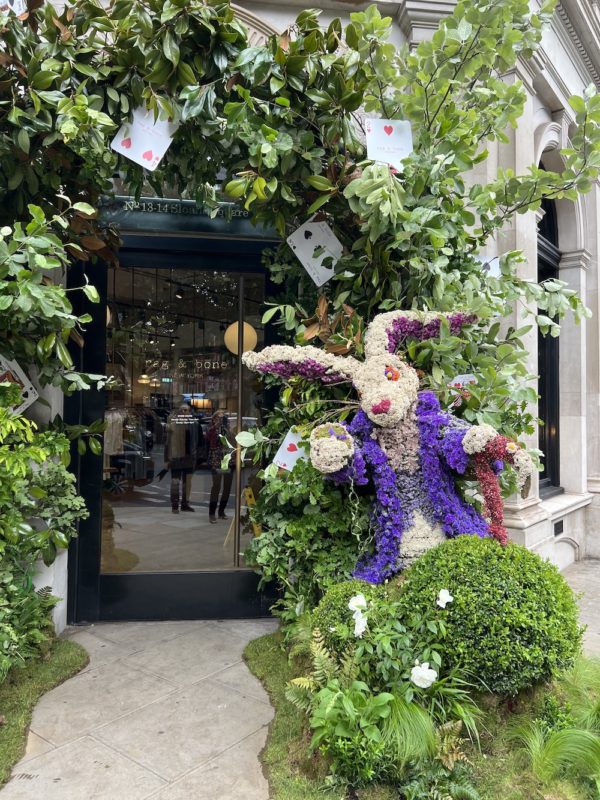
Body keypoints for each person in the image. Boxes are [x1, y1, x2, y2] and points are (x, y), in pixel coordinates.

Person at [165, 402, 199, 513]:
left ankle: (185, 504)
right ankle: (175, 505)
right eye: (182, 410)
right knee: (175, 482)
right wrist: (166, 458)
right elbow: (167, 442)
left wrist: (196, 456)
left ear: (190, 412)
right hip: (176, 457)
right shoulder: (174, 423)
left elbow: (198, 440)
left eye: (186, 410)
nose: (183, 412)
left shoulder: (193, 424)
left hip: (189, 457)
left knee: (187, 483)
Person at [207, 410, 234, 524]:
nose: (221, 420)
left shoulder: (228, 428)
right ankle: (212, 513)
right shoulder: (212, 428)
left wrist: (228, 427)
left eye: (223, 418)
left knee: (227, 487)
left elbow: (233, 440)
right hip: (216, 459)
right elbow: (208, 437)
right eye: (218, 418)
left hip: (228, 458)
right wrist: (216, 426)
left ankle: (221, 511)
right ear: (214, 419)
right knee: (216, 486)